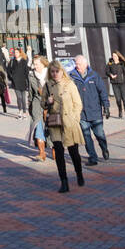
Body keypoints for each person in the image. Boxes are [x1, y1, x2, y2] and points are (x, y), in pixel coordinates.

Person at [44, 60, 85, 192]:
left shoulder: (70, 84)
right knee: (59, 153)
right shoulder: (48, 85)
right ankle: (64, 181)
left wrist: (74, 118)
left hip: (69, 122)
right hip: (55, 123)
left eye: (57, 71)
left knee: (74, 152)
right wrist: (47, 102)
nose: (55, 73)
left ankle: (79, 173)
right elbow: (42, 104)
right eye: (52, 71)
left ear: (62, 71)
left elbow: (78, 104)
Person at [70, 56, 111, 166]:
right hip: (81, 113)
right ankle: (93, 157)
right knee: (86, 136)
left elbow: (102, 91)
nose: (76, 65)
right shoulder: (72, 77)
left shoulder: (94, 76)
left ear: (85, 64)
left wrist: (106, 107)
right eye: (75, 63)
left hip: (95, 111)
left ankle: (104, 148)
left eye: (78, 63)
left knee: (99, 134)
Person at [27, 53, 49, 161]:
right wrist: (30, 104)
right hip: (37, 103)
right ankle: (42, 153)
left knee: (52, 126)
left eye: (37, 64)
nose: (36, 66)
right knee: (38, 125)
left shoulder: (50, 73)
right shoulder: (31, 75)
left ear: (43, 63)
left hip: (50, 103)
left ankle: (55, 149)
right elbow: (30, 92)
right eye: (34, 64)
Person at [106, 50, 125, 119]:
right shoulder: (110, 63)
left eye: (115, 56)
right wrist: (111, 75)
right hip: (114, 84)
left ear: (118, 56)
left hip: (122, 84)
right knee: (118, 99)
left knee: (124, 99)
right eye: (113, 56)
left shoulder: (121, 63)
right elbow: (107, 71)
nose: (114, 57)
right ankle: (120, 111)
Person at [8, 49, 30, 120]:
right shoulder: (12, 61)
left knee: (23, 98)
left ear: (20, 53)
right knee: (19, 97)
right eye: (15, 52)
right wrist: (11, 78)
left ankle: (24, 112)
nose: (16, 54)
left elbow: (27, 72)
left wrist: (28, 82)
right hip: (15, 82)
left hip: (23, 82)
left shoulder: (24, 61)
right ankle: (20, 111)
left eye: (17, 52)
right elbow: (8, 70)